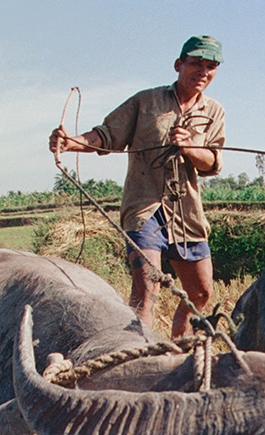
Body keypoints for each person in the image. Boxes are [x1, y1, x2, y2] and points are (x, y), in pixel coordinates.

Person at [50, 36, 225, 337]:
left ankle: (179, 349)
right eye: (196, 63)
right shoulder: (145, 102)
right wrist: (71, 143)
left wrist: (190, 147)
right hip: (145, 209)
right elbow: (106, 135)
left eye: (211, 66)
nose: (203, 71)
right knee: (147, 290)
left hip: (187, 215)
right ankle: (139, 357)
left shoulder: (214, 112)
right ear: (178, 64)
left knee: (201, 294)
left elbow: (211, 162)